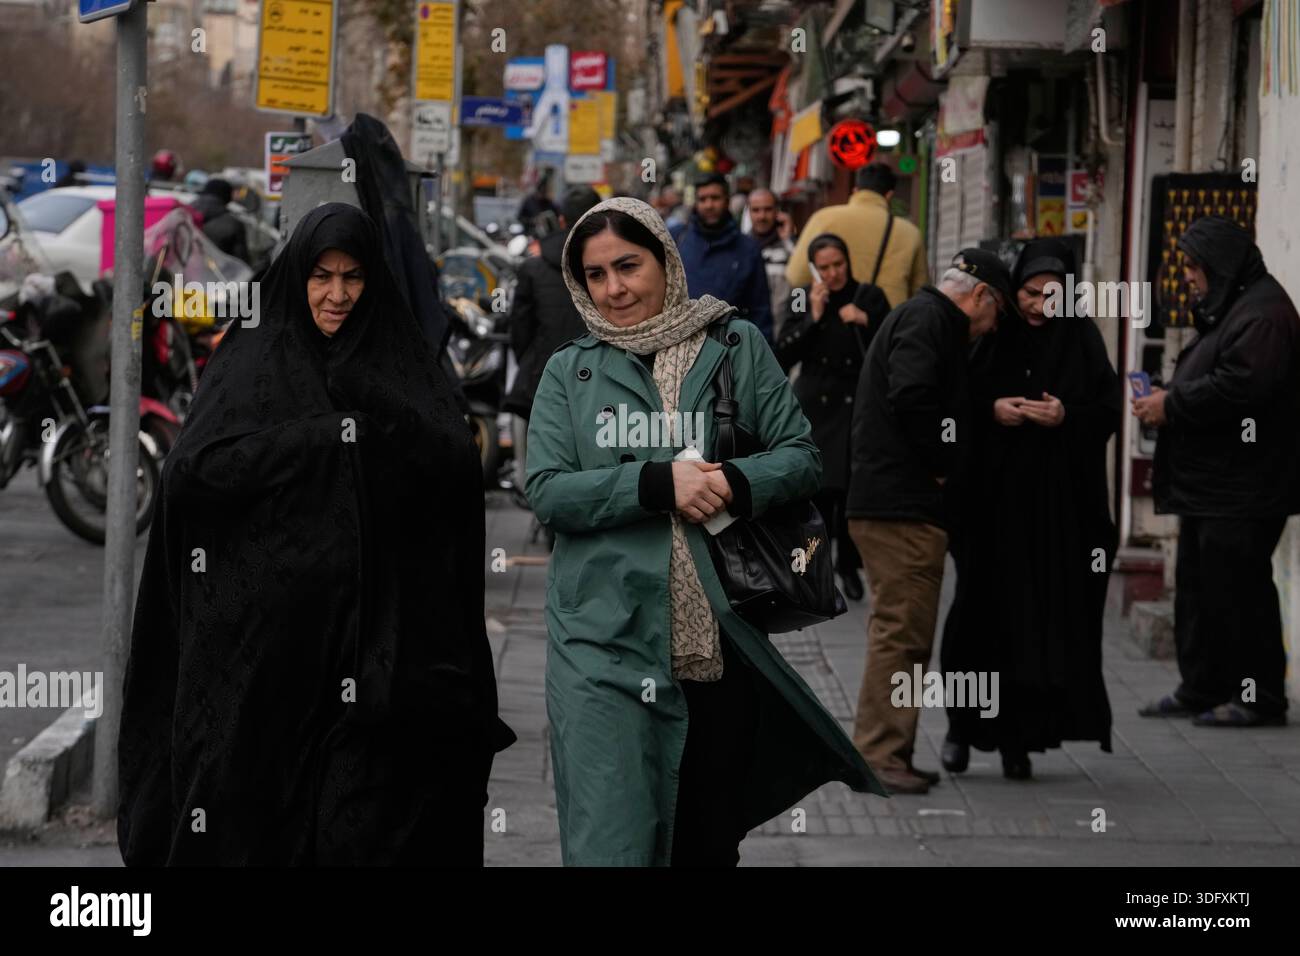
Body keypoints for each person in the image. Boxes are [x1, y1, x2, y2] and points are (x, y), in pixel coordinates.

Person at [118, 203, 515, 865]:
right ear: (296, 277)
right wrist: (322, 443)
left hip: (382, 668)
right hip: (263, 665)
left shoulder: (401, 365)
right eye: (321, 276)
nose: (337, 295)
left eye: (353, 277)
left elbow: (449, 474)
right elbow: (193, 477)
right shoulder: (253, 363)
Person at [526, 197, 884, 866]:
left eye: (628, 266)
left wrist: (734, 483)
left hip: (718, 647)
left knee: (706, 843)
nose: (615, 289)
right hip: (603, 646)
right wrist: (658, 484)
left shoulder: (732, 344)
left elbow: (801, 455)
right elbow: (548, 491)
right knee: (612, 843)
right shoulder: (570, 371)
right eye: (596, 275)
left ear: (665, 258)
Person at [939, 238, 1120, 781]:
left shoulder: (1082, 340)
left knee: (1035, 628)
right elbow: (948, 398)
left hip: (1056, 516)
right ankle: (961, 728)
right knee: (976, 618)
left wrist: (1067, 415)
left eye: (1053, 294)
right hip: (989, 511)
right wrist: (992, 408)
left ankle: (1019, 739)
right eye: (1030, 293)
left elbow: (1107, 411)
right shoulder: (991, 334)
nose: (1041, 305)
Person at [845, 249, 1013, 794]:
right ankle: (880, 753)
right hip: (900, 507)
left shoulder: (923, 316)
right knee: (903, 636)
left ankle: (886, 750)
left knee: (900, 632)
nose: (993, 327)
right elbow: (914, 397)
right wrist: (941, 464)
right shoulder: (931, 319)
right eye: (999, 312)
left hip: (889, 502)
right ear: (982, 295)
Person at [1134, 216, 1300, 727]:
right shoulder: (1236, 307)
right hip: (1215, 483)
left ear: (1220, 267)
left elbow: (1241, 388)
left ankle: (1259, 695)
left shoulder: (1265, 314)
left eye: (1193, 266)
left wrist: (1173, 403)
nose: (1187, 276)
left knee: (1239, 589)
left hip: (1246, 484)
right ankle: (1202, 686)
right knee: (1198, 586)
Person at [775, 233, 878, 602]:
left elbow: (889, 345)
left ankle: (848, 565)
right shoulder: (804, 295)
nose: (834, 274)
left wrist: (866, 319)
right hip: (816, 404)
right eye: (825, 267)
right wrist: (814, 319)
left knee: (850, 489)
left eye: (839, 265)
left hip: (856, 404)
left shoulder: (868, 295)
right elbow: (783, 353)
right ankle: (815, 568)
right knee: (817, 492)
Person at [504, 184, 603, 494]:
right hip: (599, 379)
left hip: (543, 380)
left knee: (550, 463)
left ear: (561, 221)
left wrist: (533, 365)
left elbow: (519, 331)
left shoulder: (533, 267)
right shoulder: (607, 264)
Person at [787, 163, 928, 313]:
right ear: (889, 195)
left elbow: (796, 277)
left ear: (855, 191)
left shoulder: (823, 218)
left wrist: (804, 308)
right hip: (889, 326)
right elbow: (921, 294)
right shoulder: (910, 233)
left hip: (834, 319)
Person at [669, 173, 773, 341]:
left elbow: (760, 309)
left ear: (727, 201)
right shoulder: (676, 239)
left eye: (715, 198)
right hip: (680, 345)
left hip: (730, 349)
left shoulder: (748, 248)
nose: (709, 205)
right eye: (703, 199)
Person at [746, 188, 796, 336]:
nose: (762, 216)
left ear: (778, 212)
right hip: (749, 337)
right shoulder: (741, 247)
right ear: (749, 212)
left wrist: (797, 320)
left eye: (768, 209)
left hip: (782, 336)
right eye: (756, 210)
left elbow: (801, 287)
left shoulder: (791, 248)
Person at [193, 178, 249, 264]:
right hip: (217, 274)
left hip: (182, 275)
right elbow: (241, 262)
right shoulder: (233, 223)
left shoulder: (182, 212)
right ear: (227, 197)